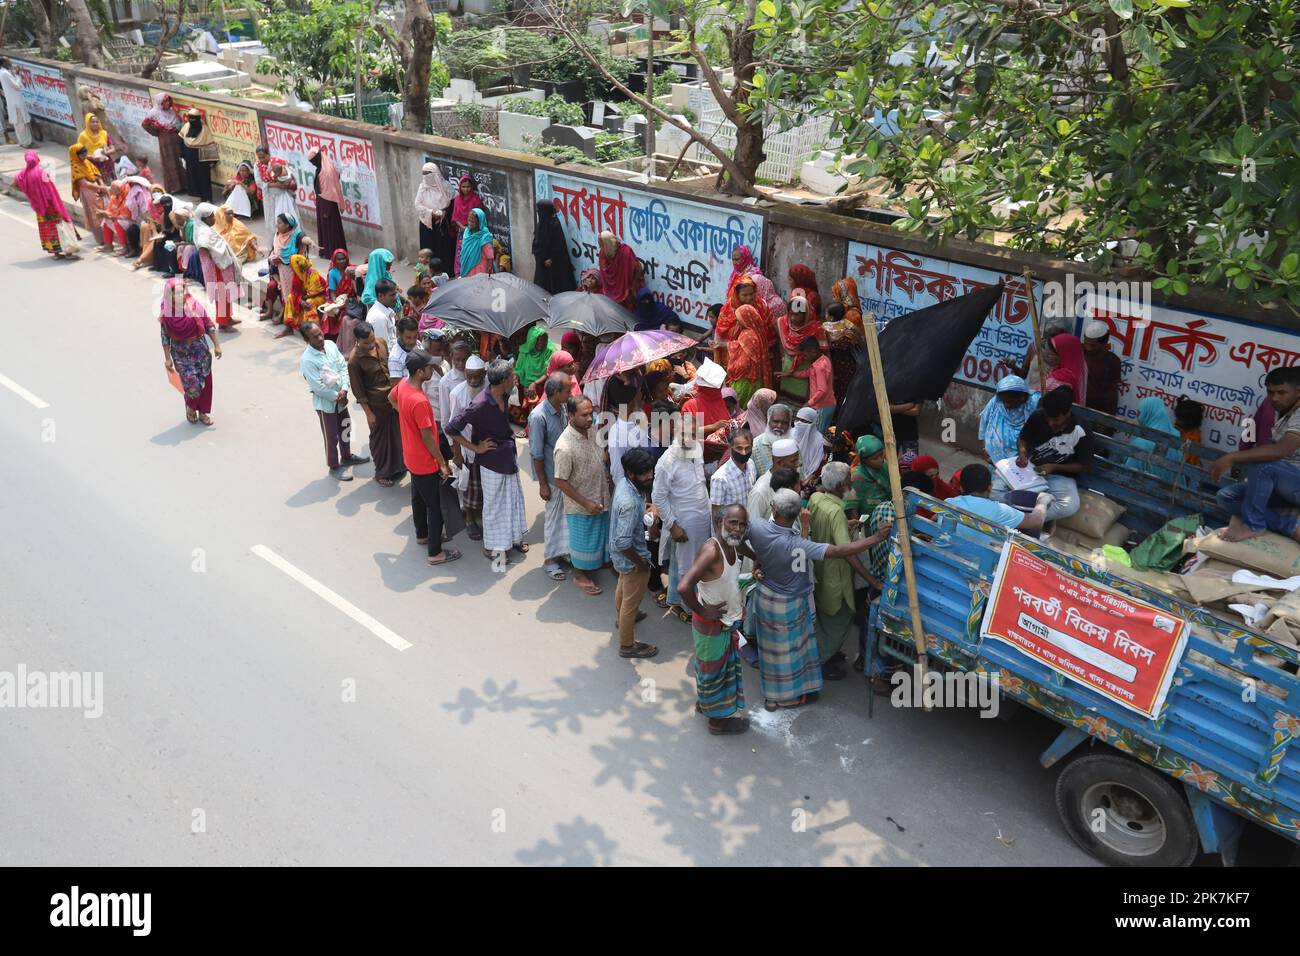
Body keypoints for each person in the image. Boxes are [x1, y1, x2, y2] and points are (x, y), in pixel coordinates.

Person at [748, 488, 879, 710]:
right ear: (797, 514)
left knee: (773, 652)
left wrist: (756, 560)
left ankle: (773, 694)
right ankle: (784, 697)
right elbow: (839, 551)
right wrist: (876, 538)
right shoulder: (797, 544)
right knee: (790, 652)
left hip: (765, 597)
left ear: (773, 509)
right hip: (789, 603)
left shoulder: (756, 527)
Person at [446, 359, 528, 562]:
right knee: (493, 506)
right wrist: (475, 447)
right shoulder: (480, 404)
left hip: (507, 456)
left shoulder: (505, 394)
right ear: (503, 380)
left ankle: (512, 539)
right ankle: (492, 548)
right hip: (491, 462)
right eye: (511, 375)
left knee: (511, 499)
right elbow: (451, 429)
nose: (514, 377)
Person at [678, 503, 751, 733]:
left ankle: (705, 704)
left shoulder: (732, 544)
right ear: (720, 524)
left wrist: (758, 558)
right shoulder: (712, 550)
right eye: (733, 523)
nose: (738, 529)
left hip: (724, 624)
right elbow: (683, 587)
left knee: (711, 670)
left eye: (742, 525)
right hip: (712, 625)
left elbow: (742, 550)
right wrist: (703, 610)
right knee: (714, 673)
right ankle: (717, 722)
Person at [809, 462, 883, 681]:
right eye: (848, 480)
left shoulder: (816, 499)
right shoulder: (835, 512)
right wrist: (871, 579)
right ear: (841, 485)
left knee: (825, 620)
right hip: (835, 576)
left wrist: (846, 526)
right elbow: (847, 553)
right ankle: (819, 662)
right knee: (839, 621)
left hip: (820, 570)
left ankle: (825, 654)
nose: (851, 483)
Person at [1212, 366, 1300, 542]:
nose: (1274, 398)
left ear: (1298, 391)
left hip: (1287, 478)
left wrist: (1232, 457)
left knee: (1264, 464)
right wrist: (1243, 454)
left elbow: (1282, 450)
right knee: (1226, 496)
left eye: (1281, 392)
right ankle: (1288, 525)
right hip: (1278, 480)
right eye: (1270, 392)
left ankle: (1254, 526)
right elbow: (1251, 427)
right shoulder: (1276, 409)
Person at [394, 350, 460, 565]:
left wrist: (405, 418)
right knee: (435, 507)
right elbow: (428, 438)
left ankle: (422, 535)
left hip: (411, 456)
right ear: (420, 372)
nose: (433, 370)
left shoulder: (404, 385)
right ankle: (435, 552)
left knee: (418, 498)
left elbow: (390, 398)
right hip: (424, 461)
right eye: (430, 368)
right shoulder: (420, 401)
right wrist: (442, 462)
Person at [652, 409, 713, 622]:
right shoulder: (666, 462)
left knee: (698, 564)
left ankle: (681, 602)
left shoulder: (696, 451)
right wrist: (672, 526)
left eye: (694, 434)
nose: (689, 438)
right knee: (688, 568)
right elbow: (658, 497)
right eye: (685, 434)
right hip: (684, 525)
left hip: (703, 521)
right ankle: (690, 610)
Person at [1003, 385, 1091, 520]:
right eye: (1048, 418)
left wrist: (1054, 467)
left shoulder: (1081, 431)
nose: (1050, 423)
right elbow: (1023, 438)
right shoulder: (1039, 416)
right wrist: (1022, 452)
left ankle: (1023, 519)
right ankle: (1020, 516)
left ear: (1067, 413)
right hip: (1030, 469)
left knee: (1070, 506)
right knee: (997, 488)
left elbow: (1085, 466)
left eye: (1055, 420)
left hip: (1060, 477)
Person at [552, 395, 611, 595]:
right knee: (582, 540)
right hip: (581, 503)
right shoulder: (564, 446)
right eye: (584, 415)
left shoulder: (592, 430)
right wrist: (585, 503)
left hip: (600, 494)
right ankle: (580, 575)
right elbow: (560, 480)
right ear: (570, 416)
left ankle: (596, 564)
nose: (590, 418)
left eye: (591, 413)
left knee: (599, 534)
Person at [609, 447, 660, 660]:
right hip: (632, 557)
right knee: (631, 600)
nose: (650, 476)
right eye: (644, 473)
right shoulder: (629, 502)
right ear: (632, 474)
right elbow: (623, 541)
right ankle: (628, 645)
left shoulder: (625, 484)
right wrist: (640, 563)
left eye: (650, 471)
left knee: (623, 587)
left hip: (621, 558)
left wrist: (646, 507)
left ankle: (623, 620)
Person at [300, 321, 369, 480]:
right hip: (326, 405)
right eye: (315, 337)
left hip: (341, 397)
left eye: (320, 333)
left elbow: (342, 367)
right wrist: (336, 397)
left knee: (346, 427)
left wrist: (344, 388)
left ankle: (346, 456)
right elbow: (317, 387)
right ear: (307, 340)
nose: (320, 338)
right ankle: (333, 466)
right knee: (331, 436)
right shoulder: (307, 360)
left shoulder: (330, 345)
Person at [347, 321, 405, 486]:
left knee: (397, 435)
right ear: (357, 340)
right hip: (376, 405)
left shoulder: (381, 342)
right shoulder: (354, 361)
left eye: (372, 340)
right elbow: (359, 391)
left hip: (393, 399)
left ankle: (399, 466)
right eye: (366, 343)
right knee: (380, 441)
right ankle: (382, 473)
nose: (371, 344)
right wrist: (369, 413)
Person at [159, 277, 221, 425]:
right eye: (177, 293)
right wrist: (167, 358)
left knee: (205, 381)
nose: (181, 295)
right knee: (191, 384)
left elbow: (208, 324)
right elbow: (165, 337)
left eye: (183, 292)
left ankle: (203, 412)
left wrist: (217, 345)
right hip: (181, 353)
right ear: (170, 296)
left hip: (200, 350)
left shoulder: (194, 306)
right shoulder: (166, 313)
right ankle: (191, 406)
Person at [528, 372, 572, 581]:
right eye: (567, 391)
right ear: (555, 393)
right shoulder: (539, 417)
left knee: (565, 516)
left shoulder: (561, 408)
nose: (571, 393)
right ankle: (550, 561)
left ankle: (563, 553)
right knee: (554, 519)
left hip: (565, 475)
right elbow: (536, 454)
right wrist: (543, 485)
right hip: (552, 477)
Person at [447, 354, 487, 541]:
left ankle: (485, 517)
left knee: (485, 487)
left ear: (484, 374)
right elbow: (453, 427)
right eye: (469, 376)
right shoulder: (457, 393)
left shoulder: (489, 388)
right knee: (470, 487)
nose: (472, 380)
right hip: (468, 448)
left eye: (476, 376)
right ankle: (470, 520)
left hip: (488, 448)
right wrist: (457, 454)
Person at [948, 464, 1052, 533]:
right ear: (990, 487)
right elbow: (1037, 522)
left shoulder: (949, 503)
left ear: (961, 487)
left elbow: (934, 518)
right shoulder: (999, 510)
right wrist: (1042, 501)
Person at [14, 151, 74, 260]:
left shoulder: (23, 175)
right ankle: (68, 252)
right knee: (61, 227)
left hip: (39, 209)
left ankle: (56, 253)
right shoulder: (42, 173)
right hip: (51, 206)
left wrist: (28, 192)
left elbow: (15, 185)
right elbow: (49, 191)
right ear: (36, 159)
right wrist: (56, 205)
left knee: (48, 229)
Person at [193, 203, 240, 332]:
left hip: (221, 265)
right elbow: (203, 245)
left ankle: (227, 317)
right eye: (212, 216)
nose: (214, 218)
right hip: (216, 268)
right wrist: (214, 253)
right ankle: (223, 323)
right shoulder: (203, 232)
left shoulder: (206, 228)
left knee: (226, 292)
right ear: (205, 218)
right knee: (222, 294)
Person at [979, 375, 1041, 464]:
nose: (1005, 405)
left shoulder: (1034, 403)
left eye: (1009, 402)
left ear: (1022, 397)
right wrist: (983, 449)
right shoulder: (997, 401)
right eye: (1003, 401)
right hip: (994, 459)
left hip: (1022, 461)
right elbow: (983, 424)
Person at [1122, 396, 1184, 481]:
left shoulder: (1141, 442)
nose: (1138, 418)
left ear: (1148, 414)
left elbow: (1127, 474)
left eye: (1139, 413)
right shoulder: (1176, 438)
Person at [725, 303, 773, 408]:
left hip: (745, 379)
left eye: (739, 319)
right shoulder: (757, 332)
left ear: (745, 319)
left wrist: (732, 368)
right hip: (755, 379)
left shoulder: (747, 335)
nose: (737, 322)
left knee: (738, 407)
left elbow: (744, 363)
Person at [710, 429, 756, 526]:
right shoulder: (720, 478)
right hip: (731, 531)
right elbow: (716, 514)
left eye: (747, 448)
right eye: (739, 448)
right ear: (730, 448)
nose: (744, 453)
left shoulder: (751, 465)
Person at [307, 146, 346, 255]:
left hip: (327, 203)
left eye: (313, 161)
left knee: (330, 228)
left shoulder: (326, 172)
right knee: (328, 228)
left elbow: (329, 191)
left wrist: (326, 210)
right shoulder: (323, 167)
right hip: (323, 201)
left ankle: (332, 252)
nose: (313, 164)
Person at [532, 198, 576, 293]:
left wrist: (551, 258)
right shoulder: (542, 224)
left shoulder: (554, 224)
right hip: (542, 264)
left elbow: (559, 246)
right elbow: (538, 243)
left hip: (553, 265)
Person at [792, 337, 835, 432]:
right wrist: (793, 374)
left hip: (822, 406)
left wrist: (808, 403)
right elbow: (809, 372)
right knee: (822, 432)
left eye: (805, 355)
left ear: (813, 352)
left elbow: (822, 390)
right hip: (829, 404)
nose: (804, 358)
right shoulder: (824, 360)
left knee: (817, 434)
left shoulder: (819, 367)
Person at [258, 150, 300, 249]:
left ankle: (290, 241)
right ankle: (278, 243)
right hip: (272, 199)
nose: (261, 160)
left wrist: (271, 184)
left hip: (283, 198)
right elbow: (261, 182)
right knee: (275, 221)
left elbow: (285, 184)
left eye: (263, 157)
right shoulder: (259, 166)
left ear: (268, 155)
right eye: (259, 157)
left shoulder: (282, 170)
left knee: (284, 218)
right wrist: (272, 184)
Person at [748, 446, 801, 522]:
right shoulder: (760, 491)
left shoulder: (791, 481)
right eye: (793, 461)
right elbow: (752, 526)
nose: (797, 465)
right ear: (779, 462)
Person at [1081, 320, 1122, 415]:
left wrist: (1110, 416)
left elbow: (1113, 391)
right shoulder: (1079, 350)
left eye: (1092, 345)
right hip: (1077, 403)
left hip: (1098, 409)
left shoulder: (1112, 361)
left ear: (1104, 343)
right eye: (1086, 343)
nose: (1088, 348)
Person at [414, 162, 453, 259]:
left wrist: (444, 213)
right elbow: (418, 205)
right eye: (424, 173)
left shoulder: (446, 187)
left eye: (428, 173)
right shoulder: (423, 187)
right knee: (428, 250)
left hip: (443, 223)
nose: (426, 176)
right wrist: (431, 213)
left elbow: (453, 203)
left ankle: (444, 271)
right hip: (427, 223)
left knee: (443, 248)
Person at [68, 144, 108, 236]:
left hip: (97, 189)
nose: (84, 157)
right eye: (82, 155)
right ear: (75, 155)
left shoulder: (87, 162)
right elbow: (84, 183)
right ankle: (101, 238)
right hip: (88, 192)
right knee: (94, 215)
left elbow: (97, 174)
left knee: (104, 211)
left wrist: (101, 184)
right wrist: (100, 188)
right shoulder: (75, 166)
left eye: (85, 154)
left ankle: (109, 235)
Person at [178, 109, 214, 203]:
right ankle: (200, 196)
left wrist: (212, 161)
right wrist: (182, 157)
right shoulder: (186, 127)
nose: (192, 121)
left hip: (202, 157)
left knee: (204, 177)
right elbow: (181, 141)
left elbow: (209, 144)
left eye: (194, 118)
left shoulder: (205, 129)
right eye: (191, 118)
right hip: (189, 157)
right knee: (193, 177)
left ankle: (207, 198)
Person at [850, 435, 891, 517]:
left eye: (881, 454)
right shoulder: (857, 478)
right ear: (864, 460)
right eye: (875, 458)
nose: (880, 460)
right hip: (869, 522)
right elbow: (852, 507)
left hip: (890, 514)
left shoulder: (886, 466)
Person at [598, 230, 640, 310]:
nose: (600, 248)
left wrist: (631, 285)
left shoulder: (626, 251)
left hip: (627, 290)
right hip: (610, 290)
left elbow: (637, 268)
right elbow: (604, 272)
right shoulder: (603, 253)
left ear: (607, 244)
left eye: (602, 245)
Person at [515, 324, 557, 403]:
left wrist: (535, 383)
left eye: (543, 339)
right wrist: (516, 377)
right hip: (525, 388)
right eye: (537, 339)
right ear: (531, 340)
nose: (541, 342)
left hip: (544, 388)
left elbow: (549, 371)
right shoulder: (524, 351)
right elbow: (518, 369)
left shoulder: (550, 351)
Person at [1043, 332, 1088, 404]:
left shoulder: (1061, 377)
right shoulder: (1081, 366)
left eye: (1052, 352)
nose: (1050, 355)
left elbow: (1041, 396)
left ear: (1063, 353)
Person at [752, 402, 793, 477]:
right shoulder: (754, 446)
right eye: (776, 421)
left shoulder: (793, 445)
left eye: (784, 423)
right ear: (768, 421)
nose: (779, 426)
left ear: (789, 424)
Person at [0, 58, 33, 147]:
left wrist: (15, 74)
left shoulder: (4, 73)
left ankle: (23, 142)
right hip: (15, 102)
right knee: (21, 123)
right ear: (4, 63)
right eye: (8, 61)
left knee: (18, 124)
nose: (10, 63)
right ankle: (27, 143)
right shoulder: (5, 74)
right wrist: (18, 75)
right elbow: (17, 86)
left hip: (13, 101)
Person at [77, 112, 117, 183]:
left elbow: (113, 148)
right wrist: (92, 157)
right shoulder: (83, 136)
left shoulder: (104, 133)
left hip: (107, 165)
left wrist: (106, 152)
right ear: (88, 123)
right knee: (99, 189)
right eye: (92, 122)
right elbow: (79, 153)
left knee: (111, 186)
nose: (95, 124)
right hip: (92, 166)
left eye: (97, 122)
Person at [364, 279, 400, 353]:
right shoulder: (379, 318)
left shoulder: (387, 310)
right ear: (380, 296)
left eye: (396, 294)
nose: (396, 297)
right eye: (392, 295)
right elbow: (383, 348)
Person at [792, 406, 827, 481]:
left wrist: (807, 478)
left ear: (813, 423)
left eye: (804, 421)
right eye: (797, 419)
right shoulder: (789, 433)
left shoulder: (819, 441)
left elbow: (817, 464)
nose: (799, 423)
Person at [387, 317, 420, 385]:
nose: (412, 341)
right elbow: (397, 388)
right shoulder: (395, 358)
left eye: (415, 337)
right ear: (400, 334)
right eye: (408, 337)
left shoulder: (418, 344)